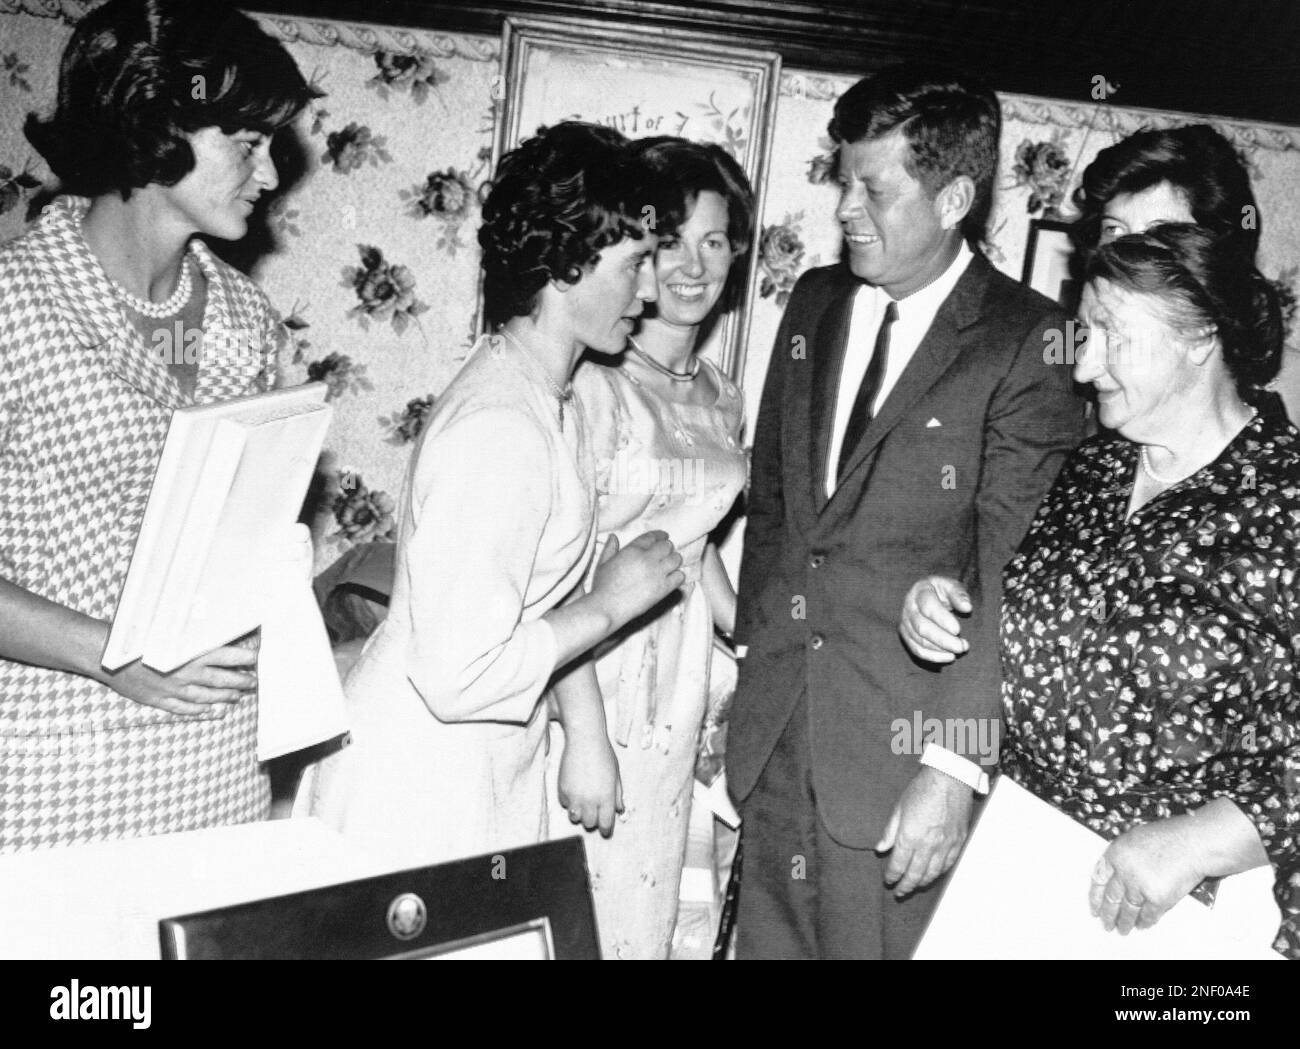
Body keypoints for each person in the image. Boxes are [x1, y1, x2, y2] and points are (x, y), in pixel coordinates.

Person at [728, 63, 1086, 959]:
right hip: (774, 746)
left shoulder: (1026, 343)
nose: (847, 207)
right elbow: (774, 511)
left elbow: (1014, 581)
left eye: (874, 188)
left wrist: (956, 768)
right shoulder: (814, 300)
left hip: (903, 771)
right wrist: (746, 676)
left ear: (955, 194)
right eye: (843, 179)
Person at [903, 224, 1298, 959]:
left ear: (1200, 337)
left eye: (1112, 335)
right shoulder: (1089, 471)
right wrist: (943, 597)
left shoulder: (1286, 504)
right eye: (1083, 334)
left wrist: (1199, 841)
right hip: (1022, 870)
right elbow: (1034, 615)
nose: (1084, 365)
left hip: (1178, 916)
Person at [309, 122, 685, 871]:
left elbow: (532, 600)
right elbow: (458, 675)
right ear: (569, 263)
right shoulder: (501, 427)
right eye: (636, 263)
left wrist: (585, 727)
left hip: (475, 766)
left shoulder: (550, 392)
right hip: (418, 784)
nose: (649, 293)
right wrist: (611, 603)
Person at [0, 0, 316, 853]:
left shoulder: (247, 317)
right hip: (52, 770)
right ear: (156, 122)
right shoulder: (14, 304)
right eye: (246, 144)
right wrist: (114, 653)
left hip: (215, 766)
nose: (270, 175)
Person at [545, 138, 752, 959]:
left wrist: (758, 638)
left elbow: (694, 542)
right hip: (593, 674)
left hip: (684, 672)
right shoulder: (591, 383)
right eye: (669, 243)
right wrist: (585, 736)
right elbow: (552, 576)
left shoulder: (721, 393)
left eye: (714, 240)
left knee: (652, 913)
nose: (692, 267)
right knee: (580, 909)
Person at [1071, 123, 1300, 423]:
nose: (1129, 256)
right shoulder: (1083, 360)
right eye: (1113, 230)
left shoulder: (1291, 387)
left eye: (1160, 234)